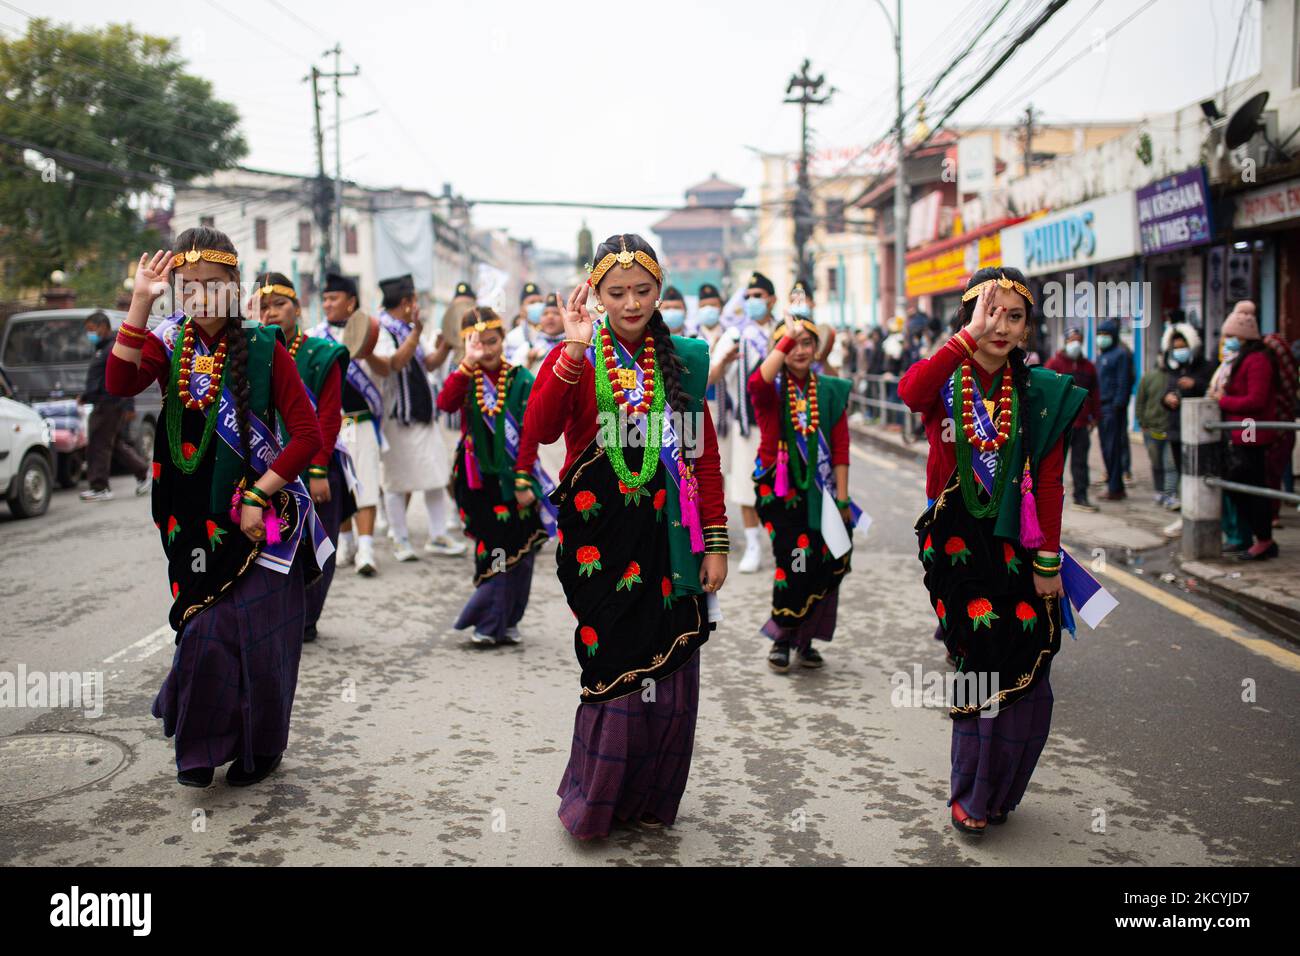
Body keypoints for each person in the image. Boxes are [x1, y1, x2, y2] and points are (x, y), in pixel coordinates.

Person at [517, 233, 728, 839]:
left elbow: (702, 454)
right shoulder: (580, 354)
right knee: (610, 659)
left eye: (642, 290)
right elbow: (540, 429)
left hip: (669, 535)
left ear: (659, 290)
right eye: (616, 292)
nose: (631, 303)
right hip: (598, 539)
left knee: (670, 660)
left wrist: (716, 542)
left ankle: (651, 795)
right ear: (596, 294)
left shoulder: (685, 359)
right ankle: (596, 800)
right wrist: (572, 347)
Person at [106, 229, 323, 788]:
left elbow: (307, 436)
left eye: (213, 284)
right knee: (203, 632)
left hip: (263, 518)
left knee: (261, 637)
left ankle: (261, 748)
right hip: (189, 518)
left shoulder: (264, 348)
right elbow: (119, 381)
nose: (200, 295)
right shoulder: (167, 342)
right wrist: (140, 301)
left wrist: (258, 494)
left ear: (234, 287)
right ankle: (200, 747)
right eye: (188, 285)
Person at [899, 267, 1086, 836]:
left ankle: (1002, 789)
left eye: (1014, 316)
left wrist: (1048, 561)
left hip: (1018, 541)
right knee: (977, 654)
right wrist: (965, 339)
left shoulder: (1040, 394)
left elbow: (1049, 482)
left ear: (1029, 328)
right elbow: (910, 393)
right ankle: (969, 795)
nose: (1000, 326)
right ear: (968, 316)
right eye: (989, 312)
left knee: (1029, 651)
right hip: (954, 542)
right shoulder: (945, 377)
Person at [748, 307, 855, 671]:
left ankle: (805, 640)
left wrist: (843, 498)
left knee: (825, 561)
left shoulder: (830, 390)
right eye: (790, 344)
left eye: (807, 342)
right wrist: (786, 339)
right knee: (793, 561)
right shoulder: (771, 390)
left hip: (823, 492)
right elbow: (757, 383)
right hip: (781, 493)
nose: (799, 350)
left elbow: (840, 447)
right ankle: (782, 636)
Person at [436, 307, 548, 645]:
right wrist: (466, 363)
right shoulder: (465, 376)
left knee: (522, 550)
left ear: (503, 339)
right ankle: (488, 622)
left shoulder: (519, 379)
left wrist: (523, 478)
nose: (485, 348)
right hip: (478, 483)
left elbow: (530, 433)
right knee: (493, 549)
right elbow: (445, 404)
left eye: (492, 341)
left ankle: (509, 619)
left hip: (516, 478)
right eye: (477, 342)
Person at [256, 272, 352, 643]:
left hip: (315, 468)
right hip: (269, 469)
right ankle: (277, 615)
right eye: (263, 306)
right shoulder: (253, 352)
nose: (271, 312)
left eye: (279, 304)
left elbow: (328, 416)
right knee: (273, 541)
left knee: (315, 544)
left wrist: (319, 468)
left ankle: (306, 620)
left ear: (297, 308)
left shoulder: (321, 355)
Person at [371, 273, 464, 561]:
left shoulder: (409, 328)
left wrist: (446, 345)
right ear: (406, 302)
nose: (417, 304)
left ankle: (438, 535)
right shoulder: (381, 329)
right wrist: (415, 334)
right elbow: (394, 363)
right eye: (415, 299)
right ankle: (400, 539)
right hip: (396, 415)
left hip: (423, 413)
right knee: (397, 480)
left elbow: (427, 363)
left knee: (436, 474)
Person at [310, 272, 384, 576]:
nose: (327, 304)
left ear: (351, 302)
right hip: (331, 426)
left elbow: (388, 368)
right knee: (340, 483)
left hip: (361, 421)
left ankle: (366, 548)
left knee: (366, 482)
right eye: (325, 299)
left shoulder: (372, 332)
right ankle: (346, 541)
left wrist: (368, 352)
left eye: (334, 298)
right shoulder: (315, 335)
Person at [1210, 309, 1281, 561]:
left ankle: (1264, 539)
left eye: (1231, 336)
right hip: (1240, 433)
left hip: (1251, 433)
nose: (1227, 341)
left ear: (1243, 336)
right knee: (1240, 486)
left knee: (1251, 487)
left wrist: (1223, 400)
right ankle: (1257, 538)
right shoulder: (1243, 359)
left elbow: (1256, 400)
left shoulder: (1257, 360)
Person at [727, 272, 779, 573]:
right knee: (747, 486)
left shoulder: (783, 331)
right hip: (746, 421)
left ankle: (782, 541)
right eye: (748, 297)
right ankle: (753, 545)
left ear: (772, 299)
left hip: (779, 421)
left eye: (758, 296)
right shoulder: (737, 334)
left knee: (781, 483)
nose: (752, 301)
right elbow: (718, 374)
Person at [79, 310, 150, 501]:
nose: (89, 334)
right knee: (115, 445)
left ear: (103, 327)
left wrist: (129, 406)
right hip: (103, 402)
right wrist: (86, 396)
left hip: (109, 404)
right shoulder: (102, 349)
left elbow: (124, 376)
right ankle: (143, 472)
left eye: (91, 329)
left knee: (98, 445)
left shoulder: (112, 348)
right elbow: (99, 379)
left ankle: (99, 487)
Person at [1159, 322, 1215, 511]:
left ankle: (1198, 508)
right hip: (1176, 428)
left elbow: (1211, 392)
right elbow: (1165, 393)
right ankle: (1186, 506)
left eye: (1183, 347)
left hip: (1198, 431)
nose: (1179, 351)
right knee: (1181, 469)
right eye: (1176, 348)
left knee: (1199, 471)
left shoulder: (1205, 367)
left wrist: (1195, 384)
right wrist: (1167, 399)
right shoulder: (1173, 369)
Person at [1045, 327, 1101, 512]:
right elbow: (1046, 392)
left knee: (1080, 462)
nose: (1075, 343)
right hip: (1060, 424)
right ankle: (1050, 497)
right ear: (1066, 341)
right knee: (1054, 463)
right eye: (1072, 339)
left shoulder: (1088, 366)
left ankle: (1081, 496)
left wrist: (1096, 416)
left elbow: (1095, 393)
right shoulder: (1054, 364)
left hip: (1082, 423)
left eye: (1078, 340)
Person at [1095, 318, 1134, 501]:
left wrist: (1119, 404)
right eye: (1100, 334)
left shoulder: (1120, 355)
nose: (1102, 338)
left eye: (1106, 334)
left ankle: (1115, 487)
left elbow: (1123, 381)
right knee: (1105, 447)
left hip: (1113, 408)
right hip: (1101, 407)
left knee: (1113, 448)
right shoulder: (1101, 356)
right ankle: (1112, 482)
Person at [1136, 349, 1176, 507]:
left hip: (1170, 429)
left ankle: (1170, 494)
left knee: (1170, 464)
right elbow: (1140, 401)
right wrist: (1142, 422)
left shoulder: (1176, 378)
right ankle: (1159, 491)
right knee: (1156, 462)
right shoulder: (1148, 377)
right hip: (1152, 430)